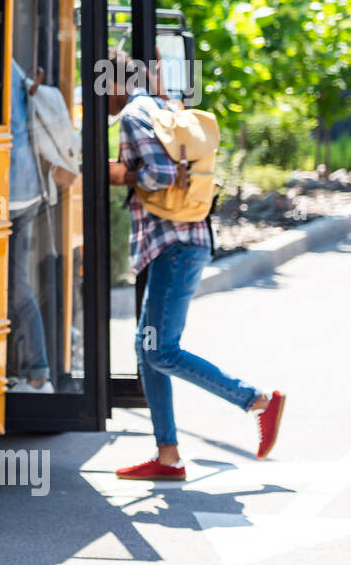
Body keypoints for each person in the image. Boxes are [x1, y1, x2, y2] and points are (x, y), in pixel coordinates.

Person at [107, 50, 285, 479]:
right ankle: (168, 456)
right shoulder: (166, 107)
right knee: (146, 349)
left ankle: (258, 400)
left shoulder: (134, 114)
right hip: (184, 240)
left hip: (175, 244)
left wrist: (120, 175)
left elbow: (162, 175)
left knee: (161, 350)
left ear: (114, 83)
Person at [6, 59, 53, 393]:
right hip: (28, 189)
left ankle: (37, 371)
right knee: (14, 282)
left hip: (11, 191)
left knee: (13, 284)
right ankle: (33, 369)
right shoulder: (13, 65)